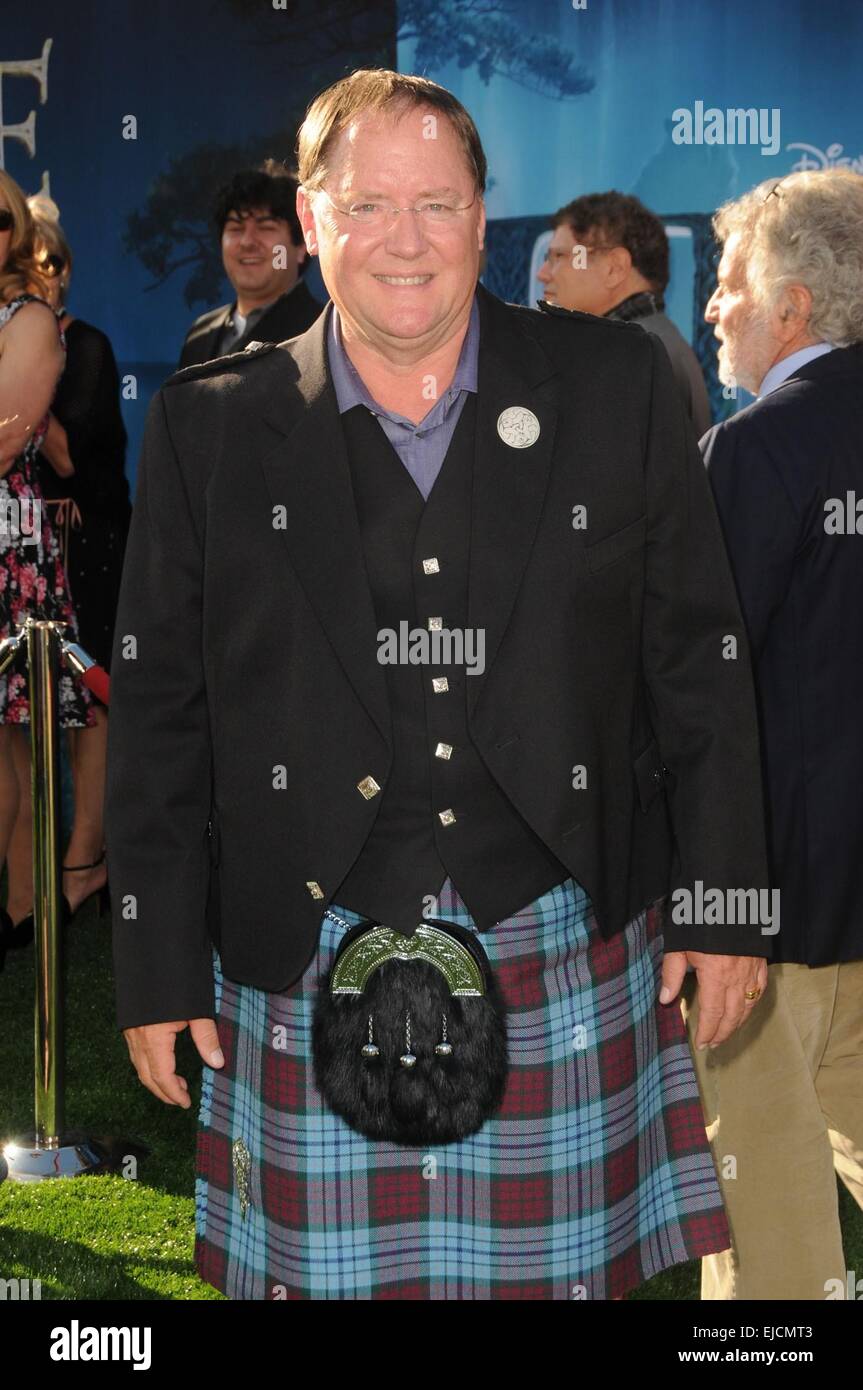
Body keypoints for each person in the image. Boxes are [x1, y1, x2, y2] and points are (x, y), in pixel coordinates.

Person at [107, 69, 770, 1301]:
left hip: (562, 929)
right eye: (366, 204)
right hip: (300, 941)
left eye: (437, 203)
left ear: (481, 217)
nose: (402, 240)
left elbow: (697, 657)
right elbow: (160, 711)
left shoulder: (608, 388)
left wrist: (724, 898)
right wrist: (151, 960)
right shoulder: (208, 425)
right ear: (312, 222)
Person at [687, 167, 863, 1300]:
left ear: (791, 306)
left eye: (729, 282)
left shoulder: (753, 450)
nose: (712, 306)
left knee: (769, 1227)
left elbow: (702, 692)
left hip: (769, 905)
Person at [22, 194, 129, 922]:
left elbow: (63, 452)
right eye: (29, 267)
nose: (43, 280)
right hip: (21, 546)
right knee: (22, 709)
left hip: (86, 541)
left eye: (53, 267)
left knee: (88, 704)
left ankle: (86, 860)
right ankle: (23, 881)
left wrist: (30, 366)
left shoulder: (82, 345)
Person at [0, 171, 96, 965]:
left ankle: (25, 908)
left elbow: (4, 437)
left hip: (10, 553)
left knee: (18, 746)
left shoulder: (28, 318)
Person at [538, 191, 712, 437]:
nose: (543, 273)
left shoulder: (632, 358)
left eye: (559, 256)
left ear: (615, 268)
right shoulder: (653, 347)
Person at [177, 160, 322, 368]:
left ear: (301, 246)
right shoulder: (200, 334)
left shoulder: (322, 332)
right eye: (236, 228)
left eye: (266, 227)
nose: (247, 242)